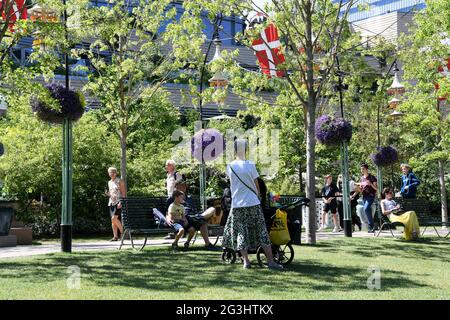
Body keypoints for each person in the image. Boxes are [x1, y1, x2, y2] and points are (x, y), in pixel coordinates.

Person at [222, 138, 283, 270]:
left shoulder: (230, 166)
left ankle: (246, 261)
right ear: (246, 150)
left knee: (241, 232)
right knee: (261, 231)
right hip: (252, 202)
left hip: (237, 204)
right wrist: (259, 196)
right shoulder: (250, 165)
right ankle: (271, 262)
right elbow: (256, 184)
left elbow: (231, 183)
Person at [167, 179, 216, 250]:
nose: (183, 187)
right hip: (185, 218)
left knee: (212, 209)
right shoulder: (172, 199)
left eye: (184, 186)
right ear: (176, 187)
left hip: (194, 217)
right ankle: (207, 244)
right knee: (202, 222)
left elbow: (195, 210)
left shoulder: (189, 198)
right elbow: (167, 212)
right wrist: (168, 219)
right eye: (181, 186)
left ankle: (207, 243)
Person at [106, 167, 125, 241]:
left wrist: (121, 202)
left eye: (114, 172)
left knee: (114, 218)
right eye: (111, 172)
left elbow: (123, 193)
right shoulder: (109, 182)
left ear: (116, 173)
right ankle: (115, 236)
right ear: (108, 173)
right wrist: (108, 194)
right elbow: (111, 193)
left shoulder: (120, 181)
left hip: (118, 202)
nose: (112, 173)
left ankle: (123, 234)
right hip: (111, 202)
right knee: (113, 220)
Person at [358, 164, 378, 233]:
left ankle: (371, 226)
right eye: (361, 169)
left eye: (363, 169)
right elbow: (361, 190)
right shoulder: (361, 178)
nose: (362, 170)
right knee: (367, 210)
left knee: (366, 208)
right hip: (364, 196)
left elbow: (376, 188)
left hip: (371, 196)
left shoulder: (372, 178)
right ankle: (371, 227)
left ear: (367, 169)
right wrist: (358, 188)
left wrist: (371, 184)